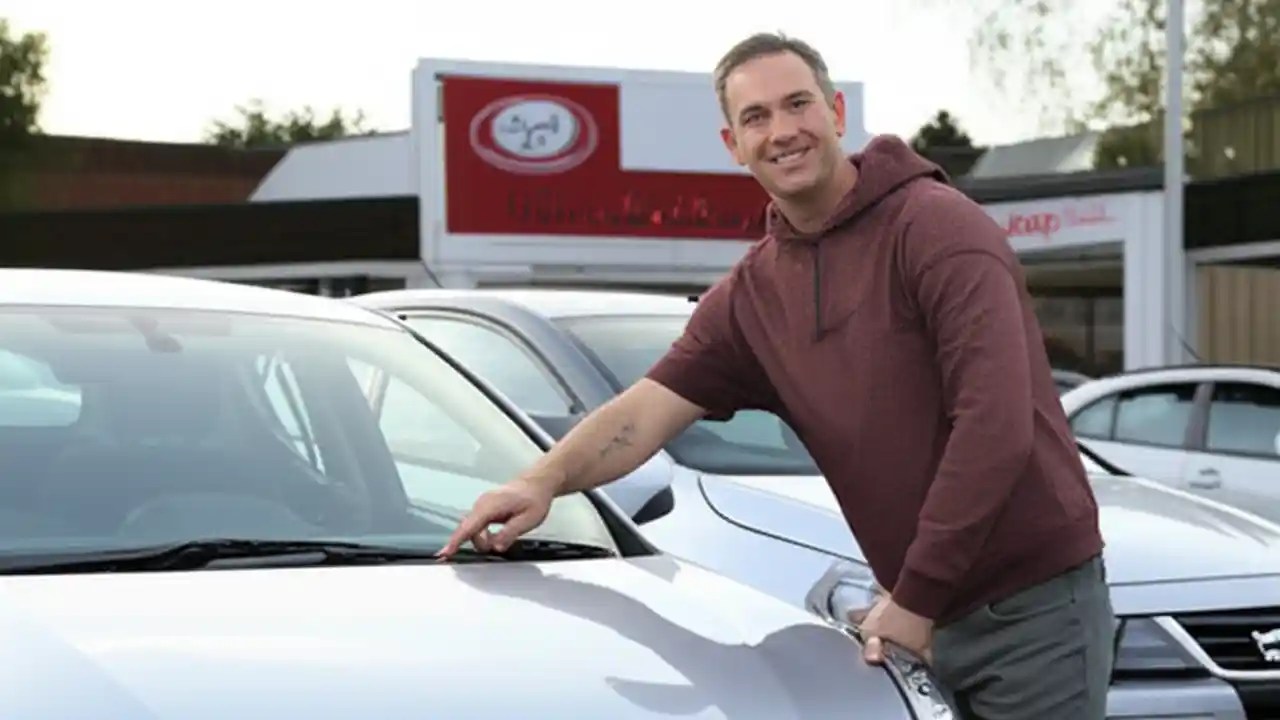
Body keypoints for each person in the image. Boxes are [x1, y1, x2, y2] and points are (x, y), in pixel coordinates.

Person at [436, 31, 1116, 720]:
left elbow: (995, 426)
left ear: (837, 114)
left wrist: (917, 597)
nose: (782, 131)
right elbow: (644, 413)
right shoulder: (754, 294)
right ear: (733, 144)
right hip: (914, 616)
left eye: (798, 105)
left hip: (1030, 614)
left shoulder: (936, 229)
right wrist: (540, 480)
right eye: (756, 117)